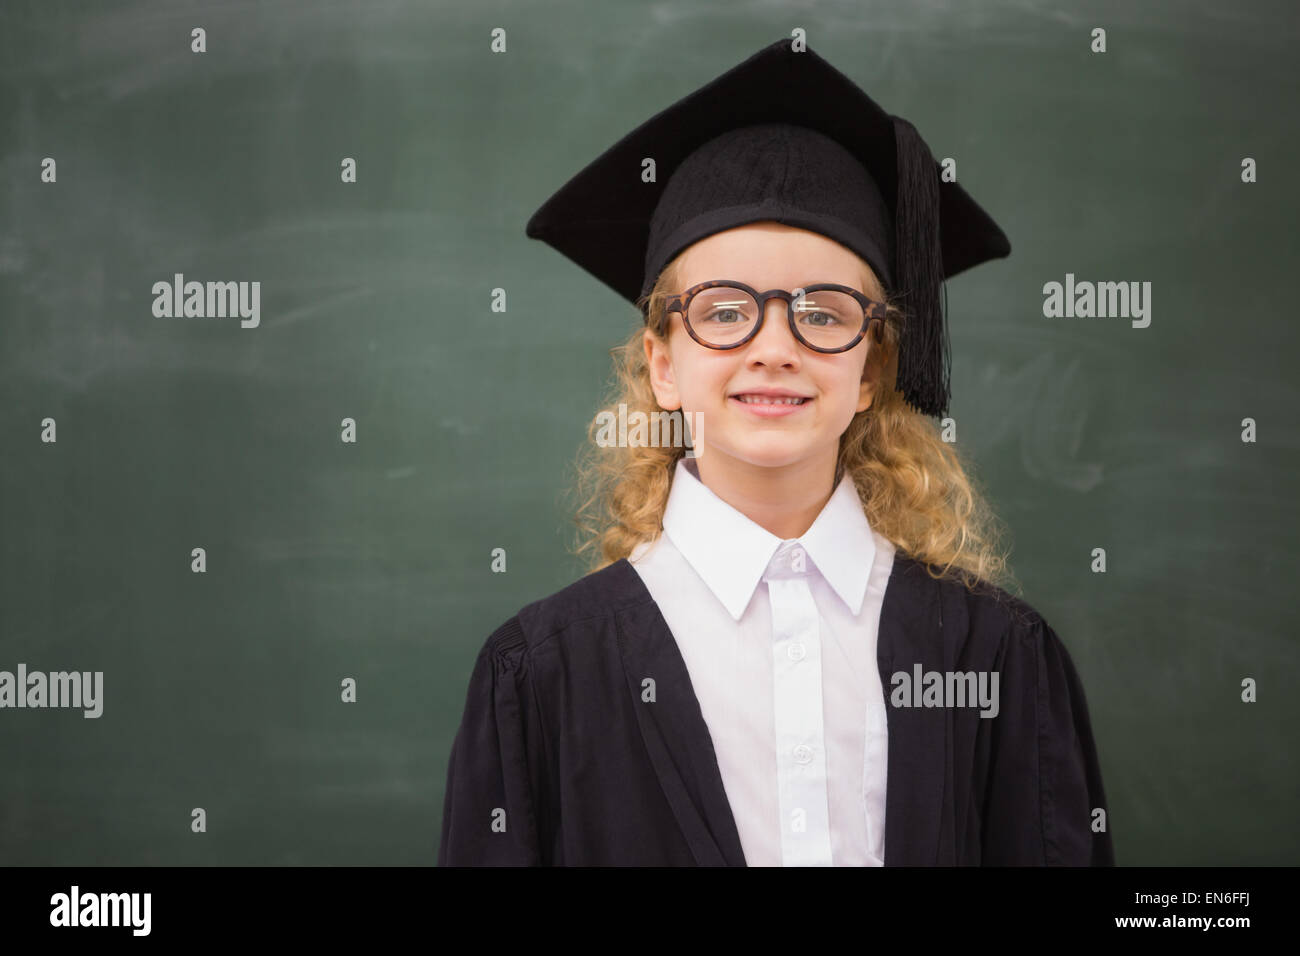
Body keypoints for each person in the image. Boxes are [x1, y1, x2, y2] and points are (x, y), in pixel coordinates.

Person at [436, 37, 1113, 866]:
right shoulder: (542, 677)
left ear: (872, 370)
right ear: (662, 363)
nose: (774, 347)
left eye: (823, 314)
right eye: (724, 312)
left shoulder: (996, 656)